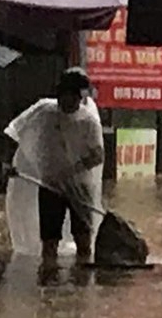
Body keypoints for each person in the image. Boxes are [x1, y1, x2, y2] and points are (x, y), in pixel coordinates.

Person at [0, 69, 105, 266]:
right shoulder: (43, 111)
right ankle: (49, 282)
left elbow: (97, 156)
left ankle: (81, 283)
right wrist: (7, 164)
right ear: (60, 94)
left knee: (83, 240)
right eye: (68, 96)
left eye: (76, 98)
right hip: (49, 186)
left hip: (80, 188)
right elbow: (14, 132)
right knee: (49, 240)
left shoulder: (89, 122)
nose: (71, 102)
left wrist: (72, 171)